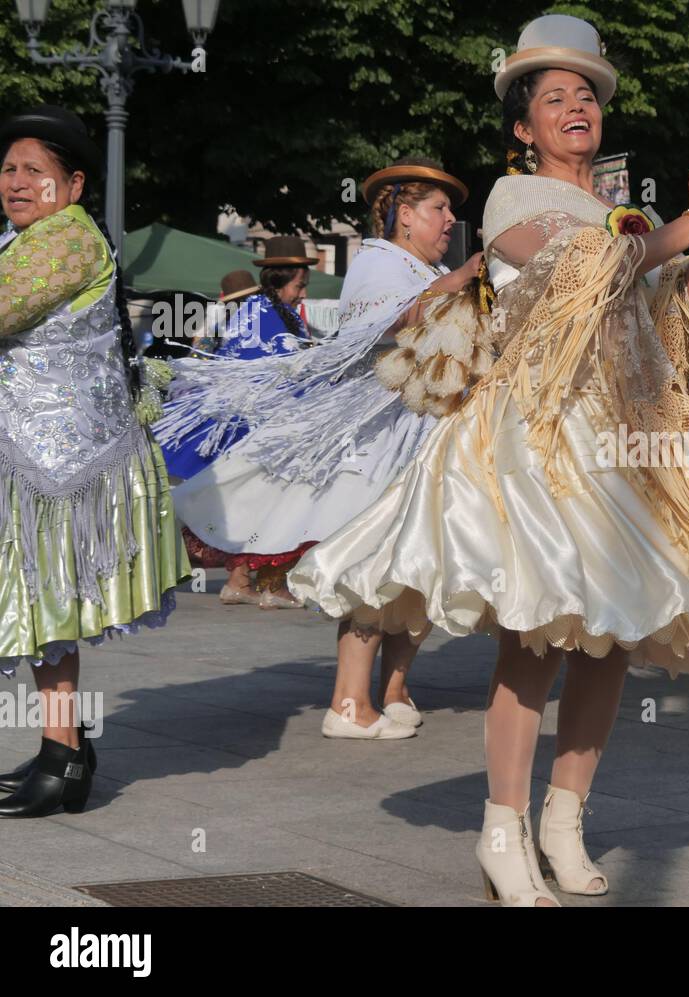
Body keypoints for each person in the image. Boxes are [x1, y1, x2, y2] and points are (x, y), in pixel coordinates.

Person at [289, 14, 689, 905]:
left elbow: (672, 307)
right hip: (541, 441)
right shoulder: (510, 200)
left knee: (610, 641)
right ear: (525, 127)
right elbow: (581, 275)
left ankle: (565, 821)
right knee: (537, 636)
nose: (576, 106)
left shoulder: (630, 214)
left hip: (622, 443)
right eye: (555, 99)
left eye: (587, 96)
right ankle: (503, 831)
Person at [155, 159, 482, 736]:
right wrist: (460, 280)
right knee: (372, 567)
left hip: (418, 436)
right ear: (405, 216)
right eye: (439, 209)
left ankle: (393, 689)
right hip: (376, 444)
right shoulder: (380, 264)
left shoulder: (413, 266)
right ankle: (350, 703)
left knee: (417, 567)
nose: (450, 221)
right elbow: (395, 323)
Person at [0, 105, 189, 816]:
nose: (16, 182)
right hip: (39, 463)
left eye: (34, 172)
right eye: (10, 168)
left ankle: (66, 753)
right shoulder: (31, 239)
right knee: (46, 601)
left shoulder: (63, 242)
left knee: (49, 599)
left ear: (72, 185)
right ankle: (63, 747)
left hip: (60, 466)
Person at [160, 265, 310, 606]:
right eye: (300, 285)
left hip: (225, 424)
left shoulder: (225, 323)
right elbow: (285, 374)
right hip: (257, 426)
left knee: (249, 499)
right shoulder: (268, 316)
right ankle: (270, 584)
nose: (303, 293)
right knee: (275, 497)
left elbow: (201, 366)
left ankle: (240, 580)